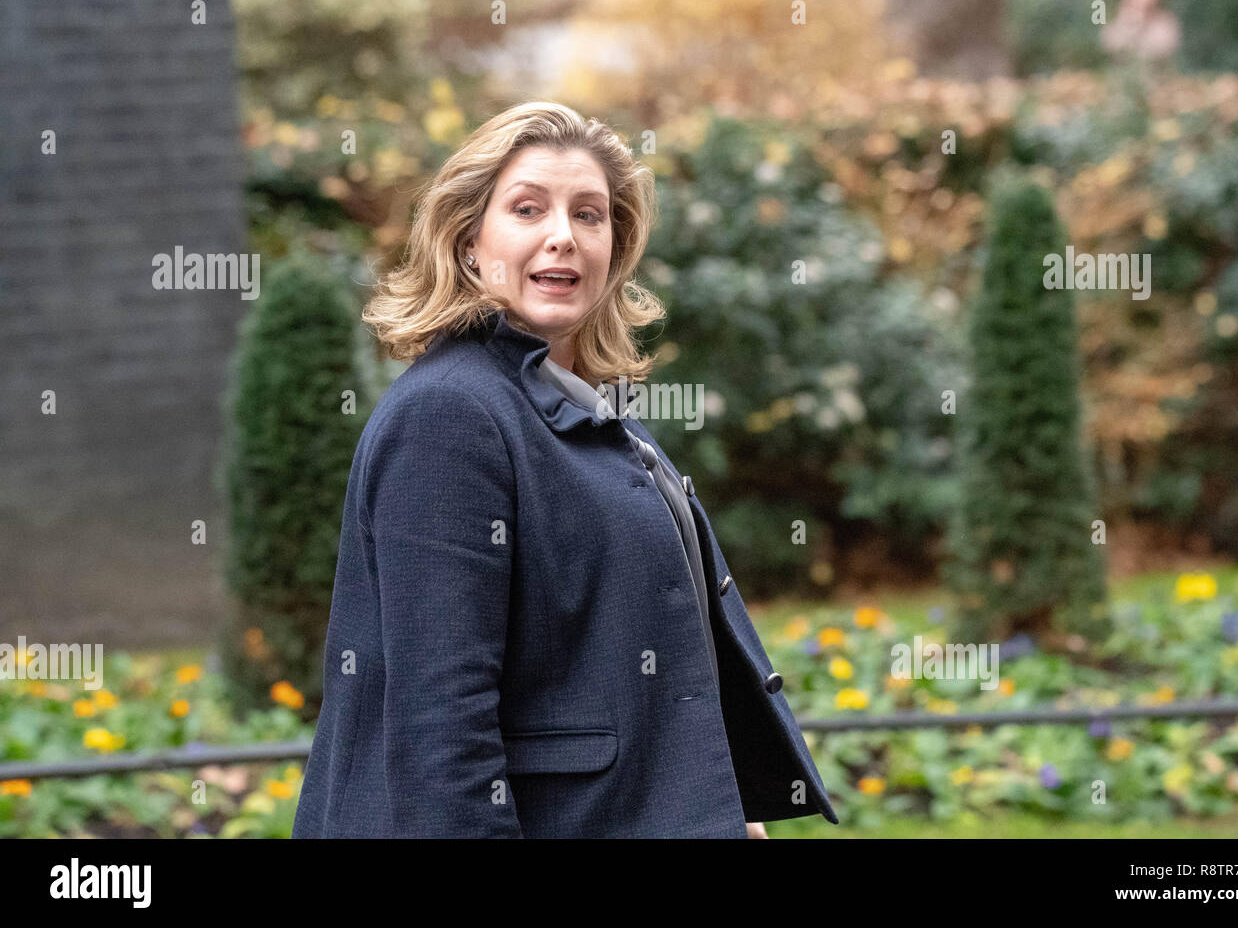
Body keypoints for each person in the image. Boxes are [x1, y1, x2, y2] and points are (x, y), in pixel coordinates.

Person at [291, 101, 838, 838]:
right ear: (469, 243)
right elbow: (441, 727)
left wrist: (717, 812)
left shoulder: (577, 405)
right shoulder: (451, 415)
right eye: (527, 209)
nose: (563, 237)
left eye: (589, 215)